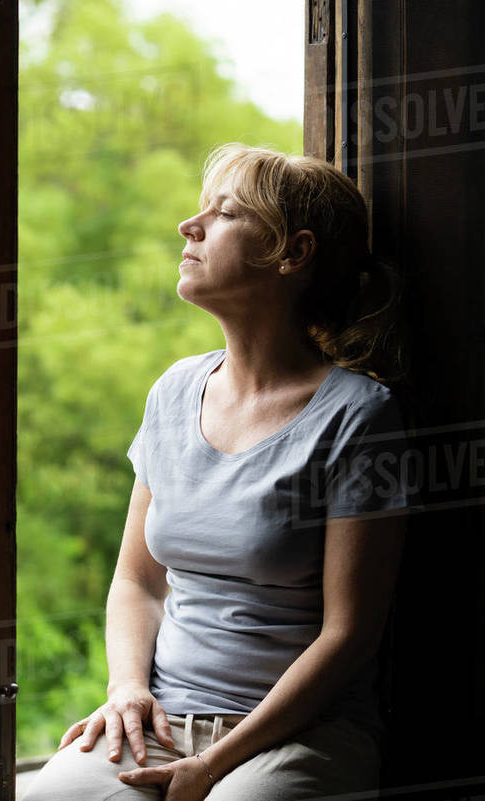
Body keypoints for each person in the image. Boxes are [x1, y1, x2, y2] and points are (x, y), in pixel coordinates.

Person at [21, 143, 412, 801]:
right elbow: (137, 579)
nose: (189, 226)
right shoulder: (174, 391)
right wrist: (127, 691)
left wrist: (213, 765)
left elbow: (348, 636)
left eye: (223, 213)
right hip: (165, 719)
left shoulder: (359, 415)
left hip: (301, 736)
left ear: (293, 253)